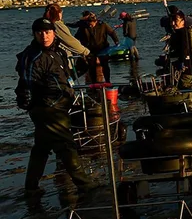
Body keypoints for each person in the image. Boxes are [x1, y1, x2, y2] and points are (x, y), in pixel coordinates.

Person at [15, 18, 96, 194]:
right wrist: (34, 102)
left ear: (54, 33)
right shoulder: (34, 56)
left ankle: (31, 187)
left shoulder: (57, 52)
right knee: (66, 145)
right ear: (34, 34)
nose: (44, 36)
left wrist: (82, 68)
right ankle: (84, 185)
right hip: (48, 109)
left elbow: (65, 78)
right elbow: (28, 84)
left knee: (41, 147)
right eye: (39, 33)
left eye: (47, 32)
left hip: (58, 106)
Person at [75, 11, 119, 83]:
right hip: (90, 49)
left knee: (105, 65)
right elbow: (77, 37)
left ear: (95, 22)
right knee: (91, 66)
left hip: (103, 47)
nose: (90, 26)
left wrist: (116, 42)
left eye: (91, 24)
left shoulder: (103, 25)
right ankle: (94, 82)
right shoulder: (84, 27)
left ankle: (108, 81)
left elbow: (111, 32)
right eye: (89, 24)